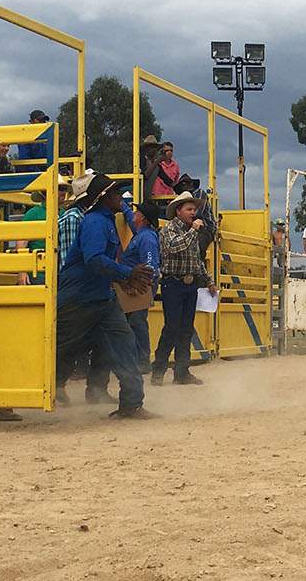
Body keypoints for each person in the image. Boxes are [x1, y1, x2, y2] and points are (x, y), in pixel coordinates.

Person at [56, 174, 155, 418]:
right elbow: (94, 259)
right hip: (79, 300)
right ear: (104, 198)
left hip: (97, 297)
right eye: (116, 194)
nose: (120, 198)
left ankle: (131, 403)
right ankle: (18, 392)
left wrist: (123, 277)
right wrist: (127, 274)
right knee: (59, 349)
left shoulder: (104, 221)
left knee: (123, 345)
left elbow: (100, 261)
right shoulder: (95, 222)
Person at [153, 190, 217, 385]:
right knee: (172, 328)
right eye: (189, 209)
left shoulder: (191, 232)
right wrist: (193, 231)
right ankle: (159, 370)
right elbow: (174, 247)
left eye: (194, 210)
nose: (193, 213)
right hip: (173, 283)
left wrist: (208, 280)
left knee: (186, 329)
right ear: (178, 211)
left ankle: (181, 372)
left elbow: (196, 260)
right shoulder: (168, 230)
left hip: (189, 285)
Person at [119, 198, 162, 372]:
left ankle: (143, 361)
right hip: (138, 283)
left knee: (137, 321)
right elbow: (131, 218)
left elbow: (150, 264)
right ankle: (138, 360)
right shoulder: (143, 233)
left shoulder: (146, 238)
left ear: (143, 218)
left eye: (137, 213)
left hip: (140, 284)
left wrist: (142, 284)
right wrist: (122, 206)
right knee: (135, 321)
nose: (134, 215)